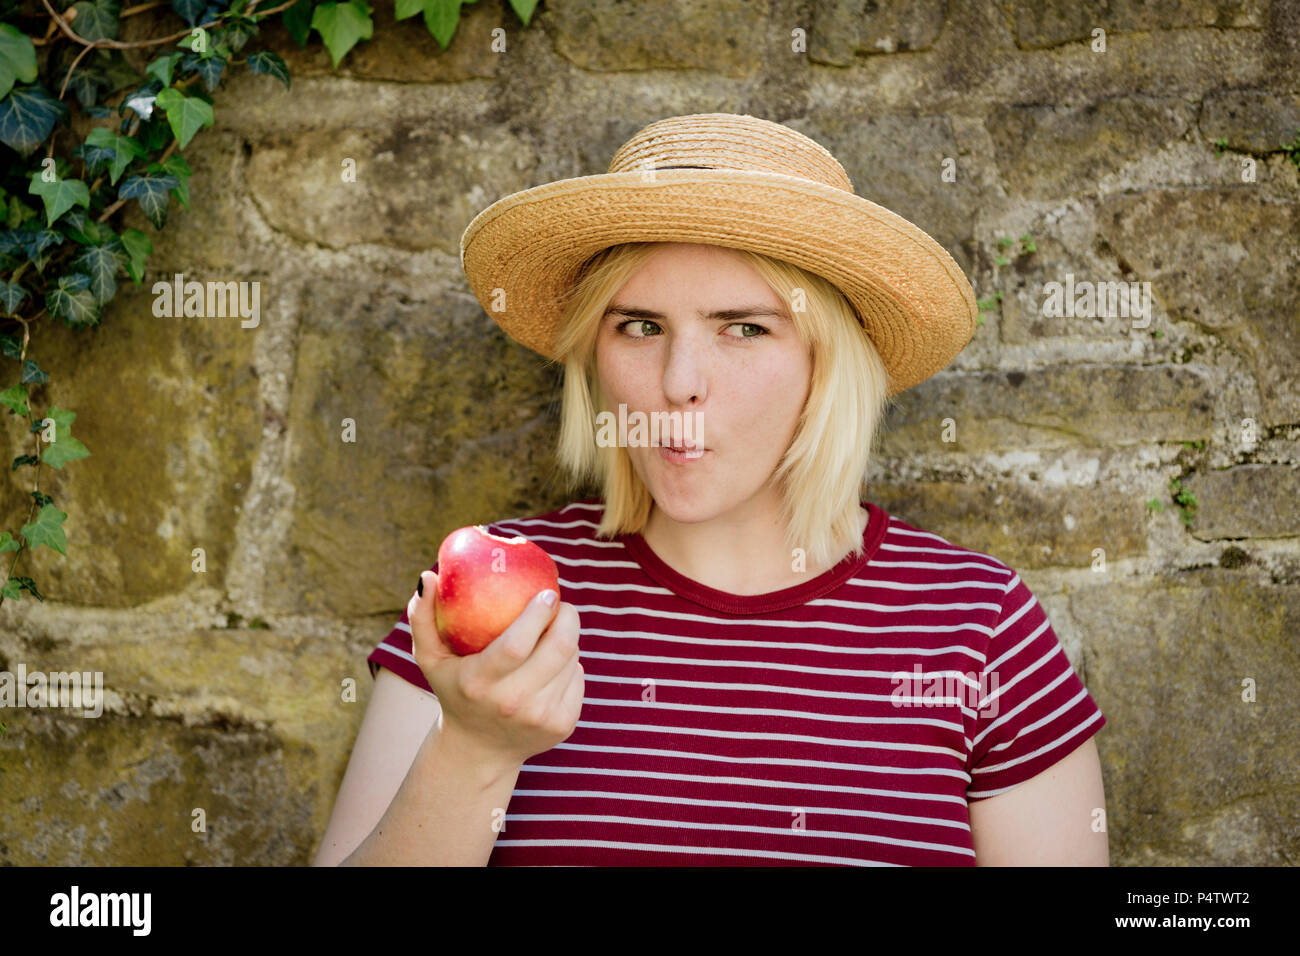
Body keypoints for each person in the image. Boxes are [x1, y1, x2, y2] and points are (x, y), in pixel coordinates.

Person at [312, 113, 1108, 867]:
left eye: (744, 327)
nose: (679, 382)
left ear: (828, 363)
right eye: (640, 326)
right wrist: (473, 750)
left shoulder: (979, 624)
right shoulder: (499, 602)